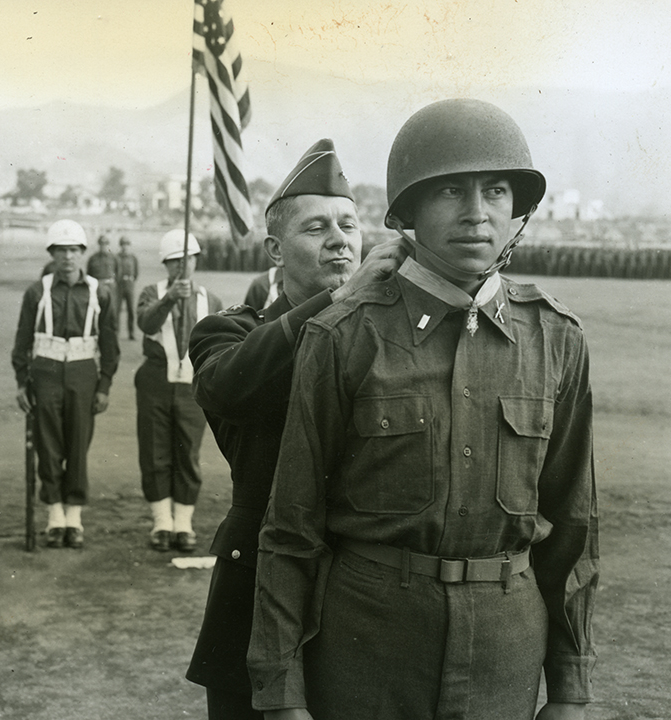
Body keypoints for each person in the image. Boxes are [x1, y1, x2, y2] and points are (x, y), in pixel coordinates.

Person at [248, 100, 598, 720]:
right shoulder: (342, 337)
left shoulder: (556, 339)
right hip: (368, 652)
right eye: (449, 192)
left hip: (505, 655)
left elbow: (573, 526)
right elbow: (291, 528)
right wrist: (281, 698)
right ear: (407, 212)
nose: (476, 213)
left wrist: (571, 688)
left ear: (516, 208)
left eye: (495, 190)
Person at [185, 138, 407, 719]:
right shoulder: (225, 332)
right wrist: (341, 299)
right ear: (275, 250)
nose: (340, 239)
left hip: (363, 592)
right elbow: (230, 385)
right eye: (316, 228)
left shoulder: (388, 337)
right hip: (258, 585)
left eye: (350, 224)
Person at [11, 219, 120, 550]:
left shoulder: (99, 292)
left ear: (83, 253)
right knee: (48, 446)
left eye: (73, 250)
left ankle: (74, 517)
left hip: (83, 374)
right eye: (61, 251)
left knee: (77, 445)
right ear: (52, 254)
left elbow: (111, 345)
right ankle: (55, 516)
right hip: (44, 374)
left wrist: (104, 386)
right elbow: (22, 340)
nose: (68, 257)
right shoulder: (37, 292)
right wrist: (21, 382)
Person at [135, 229, 223, 552]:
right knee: (155, 450)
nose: (181, 268)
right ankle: (162, 521)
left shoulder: (209, 300)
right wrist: (170, 297)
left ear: (196, 261)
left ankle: (183, 523)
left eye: (186, 260)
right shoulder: (151, 291)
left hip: (191, 386)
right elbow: (145, 323)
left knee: (187, 452)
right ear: (165, 264)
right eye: (173, 262)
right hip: (156, 381)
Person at [115, 235, 140, 340]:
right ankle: (116, 332)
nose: (125, 247)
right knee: (117, 310)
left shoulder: (133, 257)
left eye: (127, 244)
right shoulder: (117, 257)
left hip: (129, 285)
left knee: (131, 310)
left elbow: (136, 273)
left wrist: (130, 280)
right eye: (123, 244)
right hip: (119, 285)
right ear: (120, 245)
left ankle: (131, 333)